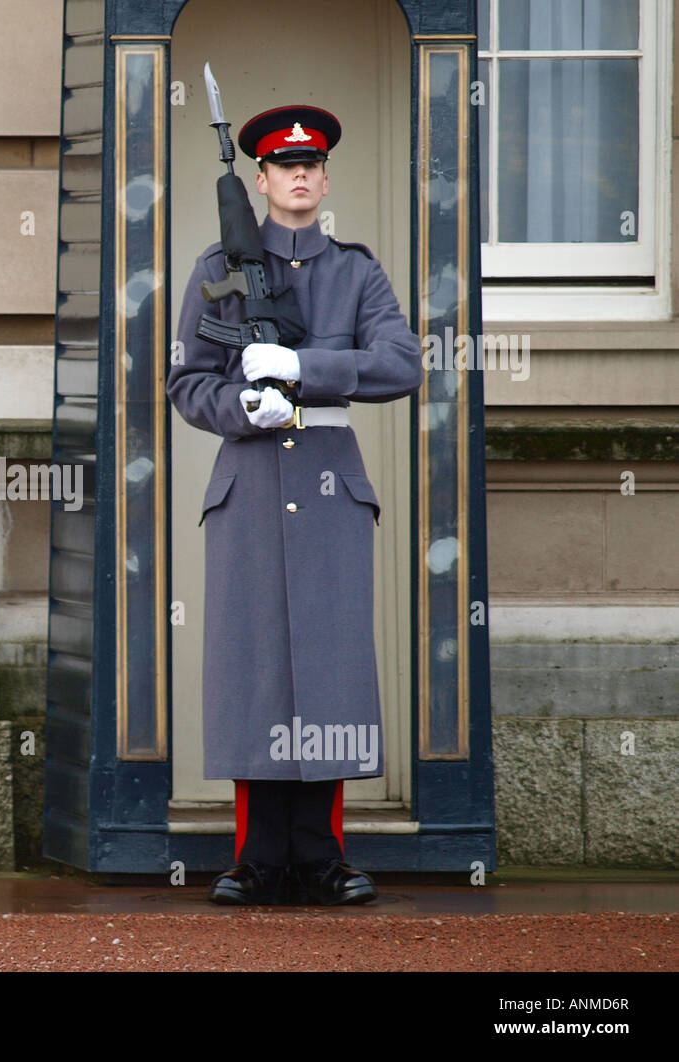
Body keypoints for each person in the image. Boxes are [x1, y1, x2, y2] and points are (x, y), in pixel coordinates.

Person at [166, 104, 423, 905]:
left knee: (328, 667)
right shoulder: (220, 266)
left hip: (328, 480)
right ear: (262, 180)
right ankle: (254, 857)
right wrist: (244, 408)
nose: (300, 176)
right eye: (285, 167)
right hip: (248, 484)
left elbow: (401, 363)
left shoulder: (356, 270)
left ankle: (323, 854)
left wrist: (304, 368)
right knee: (255, 670)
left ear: (323, 176)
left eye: (312, 165)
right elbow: (186, 382)